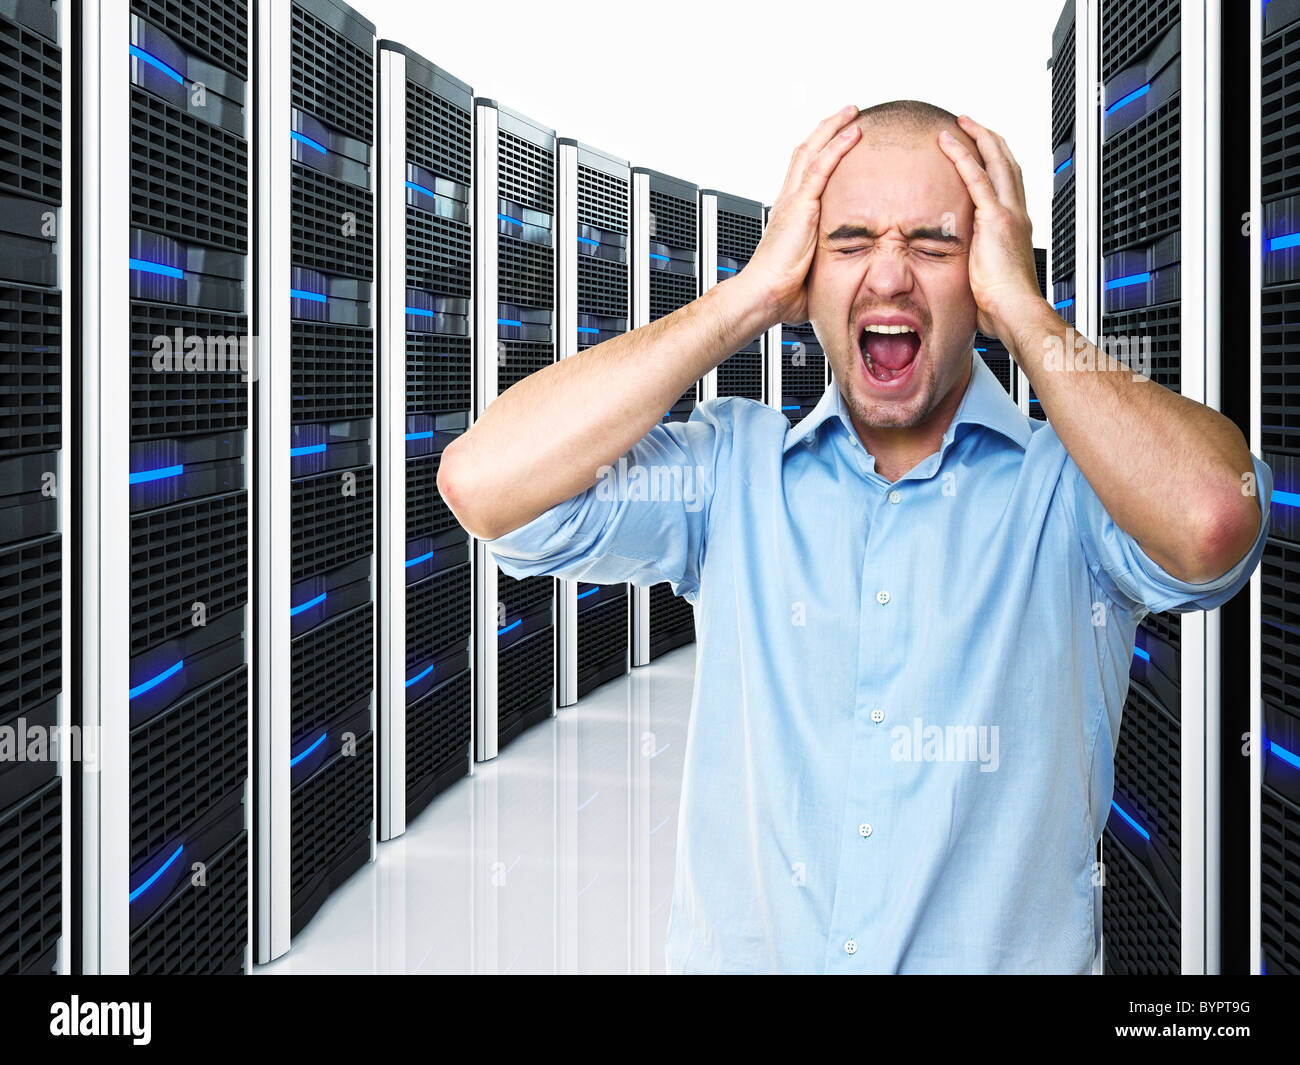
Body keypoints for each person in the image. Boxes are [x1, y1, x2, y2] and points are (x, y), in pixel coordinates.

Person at [437, 101, 1272, 973]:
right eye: (848, 241)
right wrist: (744, 297)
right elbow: (484, 481)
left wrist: (1027, 313)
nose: (889, 276)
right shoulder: (731, 474)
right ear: (805, 271)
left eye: (936, 244)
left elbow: (1216, 514)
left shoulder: (1070, 491)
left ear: (983, 274)